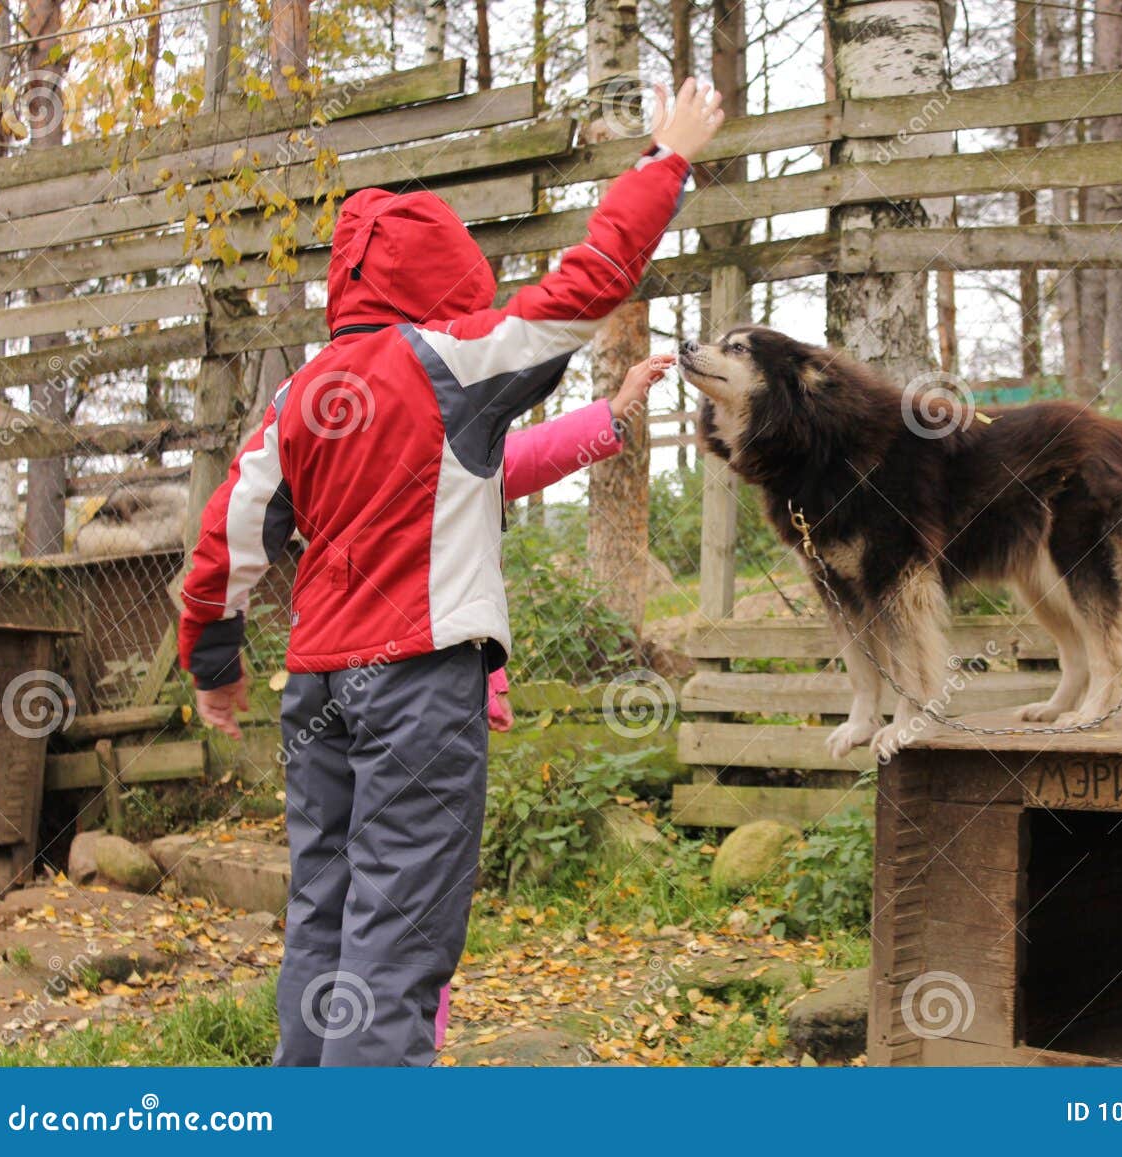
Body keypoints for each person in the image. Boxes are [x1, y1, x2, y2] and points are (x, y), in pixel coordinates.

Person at [179, 81, 723, 1066]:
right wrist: (664, 159)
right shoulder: (453, 357)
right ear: (448, 275)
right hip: (418, 684)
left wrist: (215, 661)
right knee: (397, 930)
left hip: (315, 691)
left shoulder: (301, 393)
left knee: (325, 911)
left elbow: (226, 538)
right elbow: (589, 281)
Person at [432, 351, 674, 1049]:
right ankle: (405, 1045)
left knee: (366, 892)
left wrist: (616, 407)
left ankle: (369, 1048)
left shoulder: (345, 422)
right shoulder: (443, 444)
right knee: (421, 890)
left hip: (333, 686)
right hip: (422, 692)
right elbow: (526, 454)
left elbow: (530, 453)